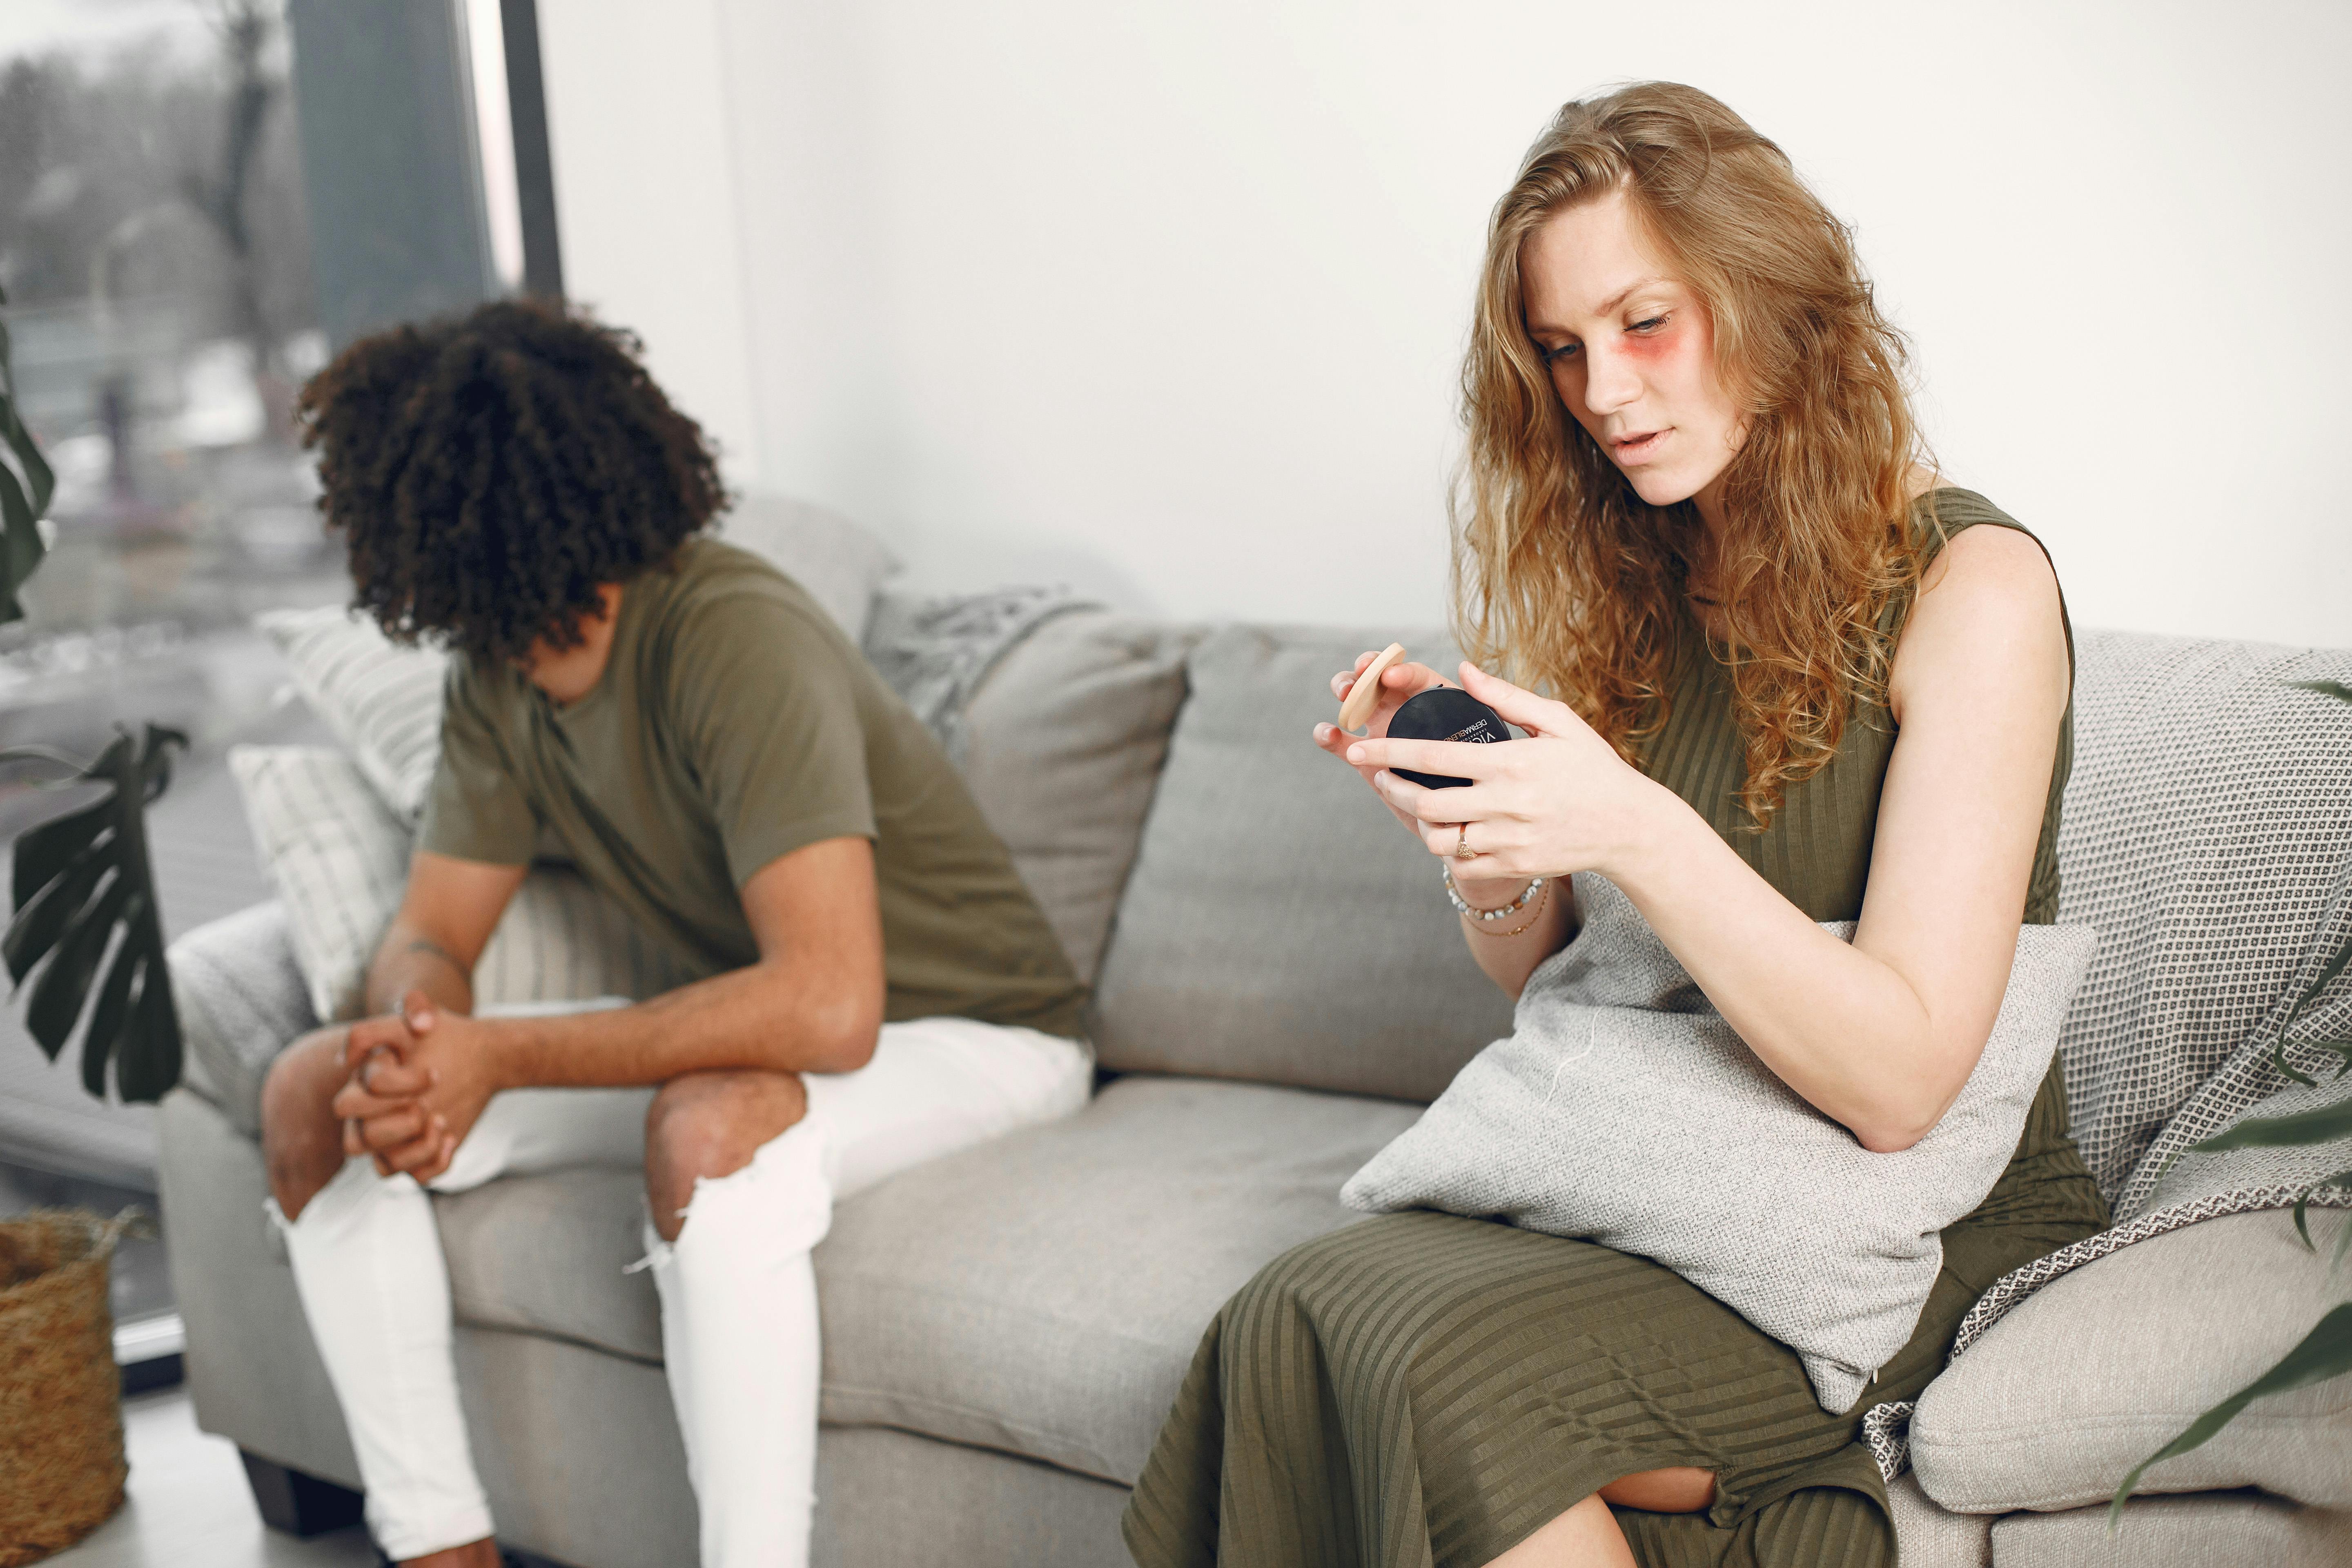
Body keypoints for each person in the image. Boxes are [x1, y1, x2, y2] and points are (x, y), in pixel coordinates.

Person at [1121, 82, 2108, 1568]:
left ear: (1770, 299)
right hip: (1664, 1182)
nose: (1607, 393)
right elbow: (1568, 989)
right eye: (1566, 350)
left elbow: (1902, 1082)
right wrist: (1491, 853)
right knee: (1297, 1319)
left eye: (1648, 324)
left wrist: (1633, 823)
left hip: (1900, 1223)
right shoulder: (1638, 576)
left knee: (1420, 1374)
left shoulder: (1973, 590)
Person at [258, 301, 1090, 1568]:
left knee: (706, 1126)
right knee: (322, 1091)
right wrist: (420, 1029)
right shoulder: (499, 674)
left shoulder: (732, 633)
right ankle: (440, 1549)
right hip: (803, 1038)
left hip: (983, 1033)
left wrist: (500, 1059)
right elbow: (433, 923)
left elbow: (830, 1007)